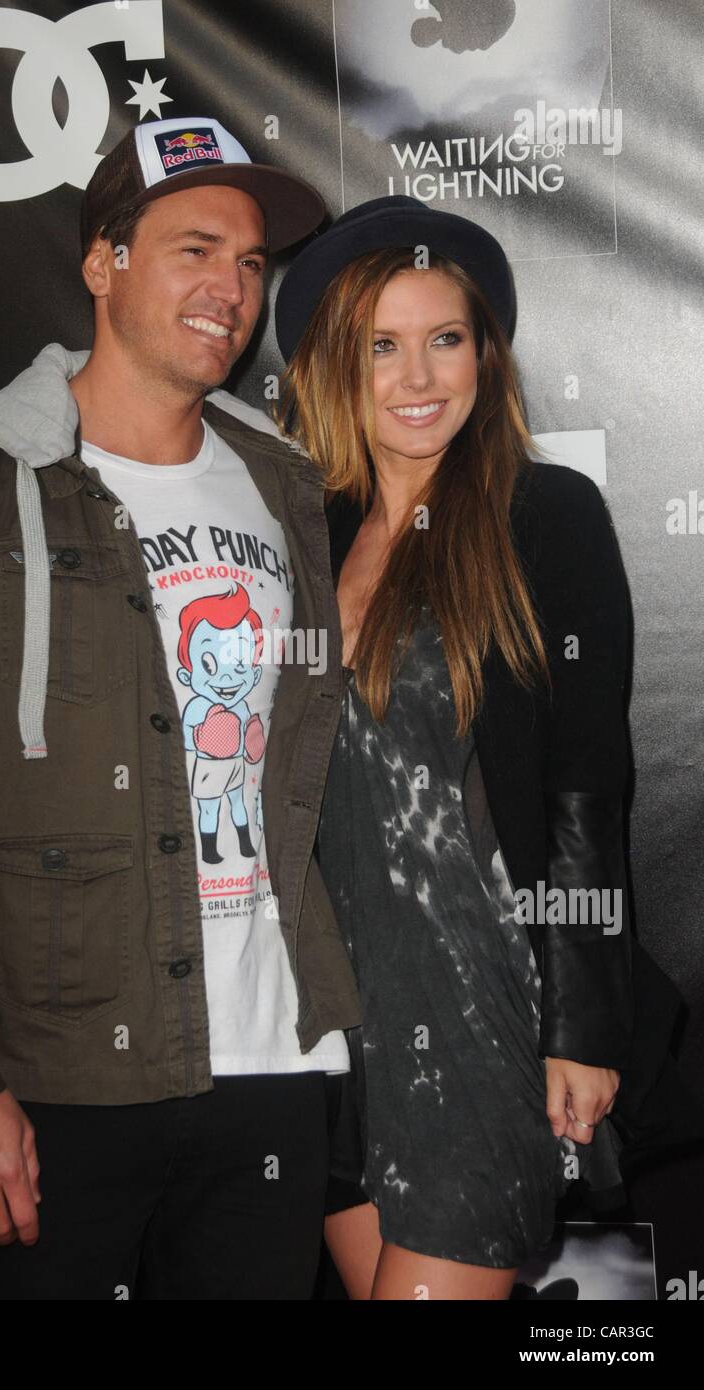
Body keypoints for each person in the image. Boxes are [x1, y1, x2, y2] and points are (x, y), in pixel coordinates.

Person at [0, 115, 364, 1300]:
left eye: (247, 262)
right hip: (51, 1080)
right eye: (192, 249)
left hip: (271, 1064)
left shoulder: (286, 485)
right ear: (101, 262)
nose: (229, 289)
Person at [272, 194, 661, 1300]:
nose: (417, 377)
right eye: (380, 346)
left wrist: (579, 1025)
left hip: (483, 1011)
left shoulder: (546, 515)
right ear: (332, 368)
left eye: (445, 338)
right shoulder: (303, 530)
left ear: (485, 355)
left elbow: (590, 782)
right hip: (334, 1022)